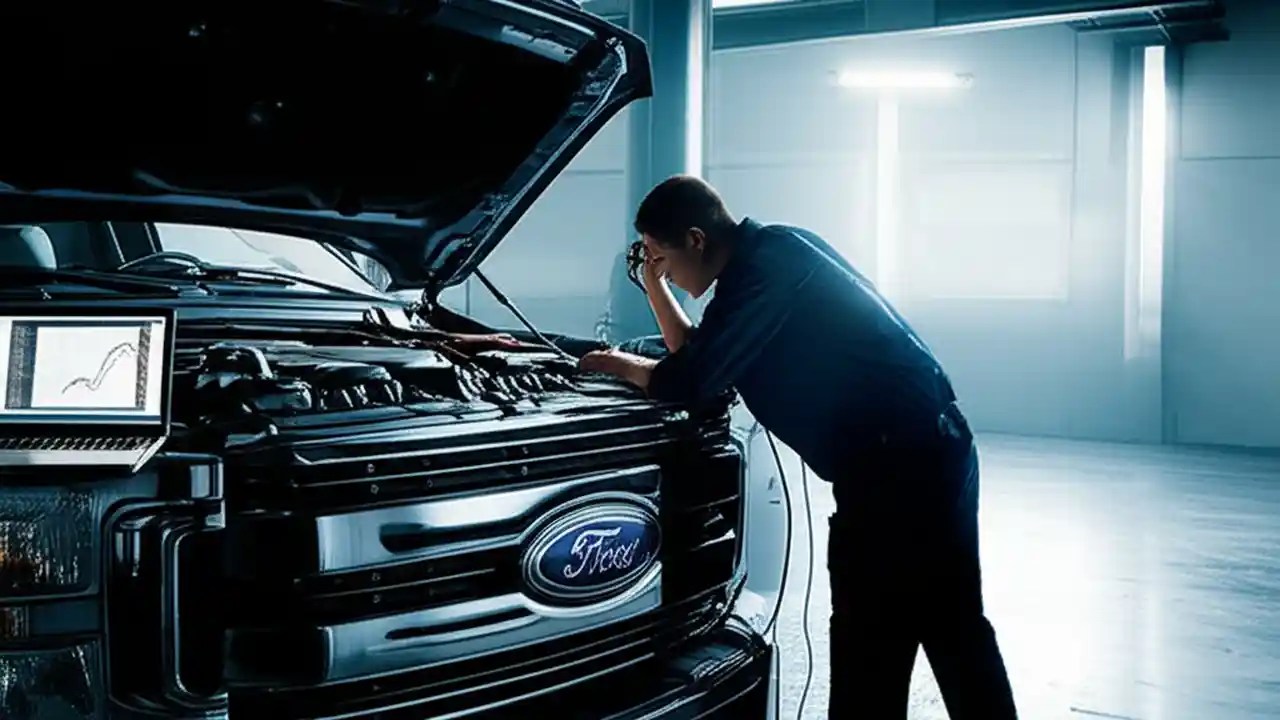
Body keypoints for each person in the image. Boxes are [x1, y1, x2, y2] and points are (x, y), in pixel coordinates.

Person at [579, 175, 1018, 719]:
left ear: (695, 239)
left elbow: (693, 380)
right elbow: (700, 356)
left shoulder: (765, 274)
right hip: (921, 454)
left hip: (900, 471)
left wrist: (616, 365)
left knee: (880, 642)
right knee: (948, 630)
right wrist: (655, 288)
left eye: (661, 257)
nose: (660, 268)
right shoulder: (770, 254)